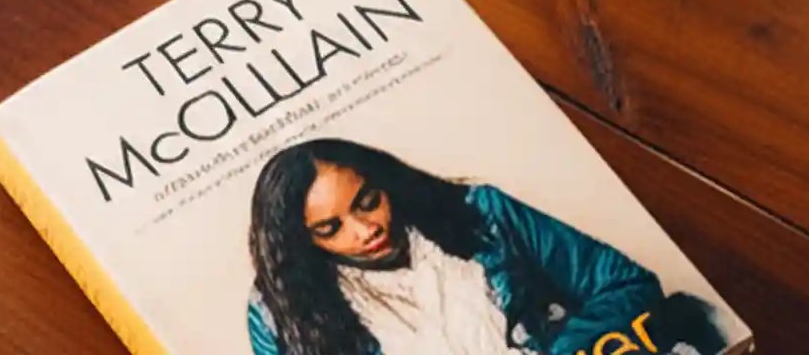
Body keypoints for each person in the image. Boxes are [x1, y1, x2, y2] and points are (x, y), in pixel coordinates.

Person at [246, 138, 726, 355]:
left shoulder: (481, 214)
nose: (364, 230)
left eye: (368, 201)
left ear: (385, 182)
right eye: (331, 228)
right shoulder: (278, 311)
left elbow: (627, 285)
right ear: (300, 240)